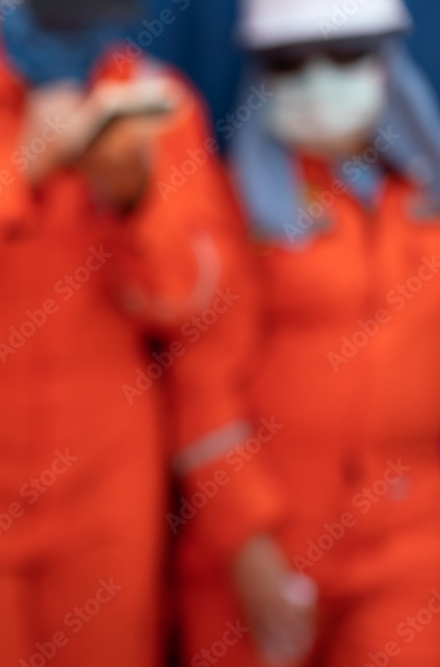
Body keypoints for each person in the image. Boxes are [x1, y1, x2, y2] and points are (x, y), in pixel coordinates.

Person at [0, 1, 270, 665]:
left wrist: (136, 197)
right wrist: (23, 165)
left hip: (105, 482)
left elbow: (194, 300)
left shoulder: (156, 103)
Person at [176, 0, 440, 665]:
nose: (320, 80)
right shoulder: (230, 206)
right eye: (292, 64)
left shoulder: (424, 199)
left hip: (414, 545)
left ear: (386, 62)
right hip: (270, 541)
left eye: (348, 56)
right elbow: (204, 382)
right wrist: (246, 541)